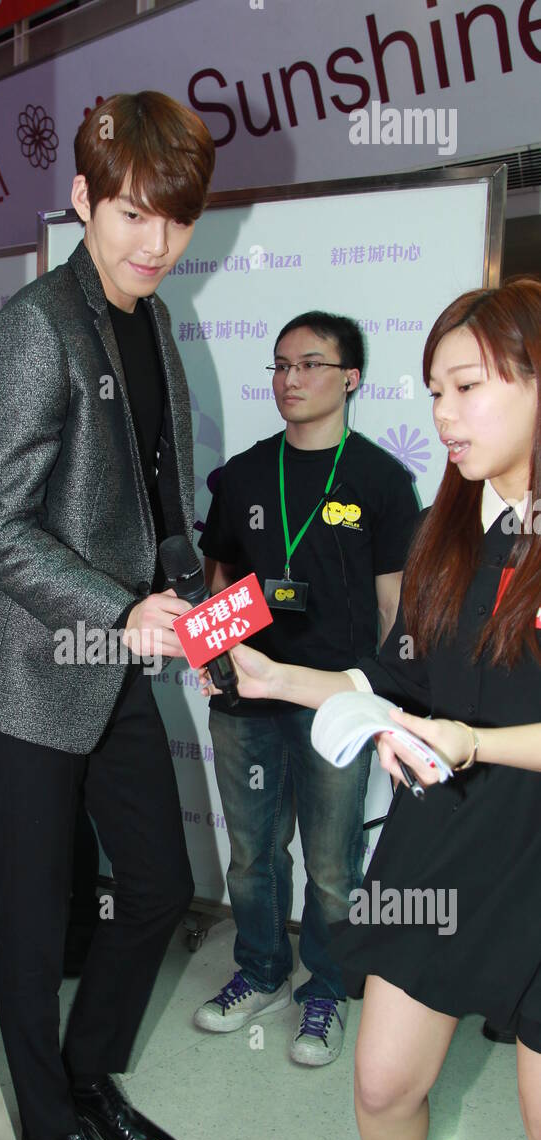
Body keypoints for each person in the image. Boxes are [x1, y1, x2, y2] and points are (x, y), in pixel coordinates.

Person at [205, 277, 541, 1140]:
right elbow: (385, 677)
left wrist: (474, 741)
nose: (442, 412)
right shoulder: (453, 525)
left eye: (467, 385)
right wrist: (280, 676)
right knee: (381, 1085)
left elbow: (466, 727)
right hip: (442, 841)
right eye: (433, 389)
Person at [0, 92, 215, 1140]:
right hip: (28, 678)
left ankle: (89, 1070)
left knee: (155, 884)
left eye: (170, 219)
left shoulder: (153, 322)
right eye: (126, 213)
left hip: (113, 665)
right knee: (36, 916)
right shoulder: (34, 326)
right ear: (81, 203)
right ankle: (48, 1127)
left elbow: (159, 504)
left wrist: (203, 615)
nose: (149, 241)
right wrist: (120, 615)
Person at [194, 312, 419, 1065]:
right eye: (281, 365)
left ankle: (325, 986)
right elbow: (220, 576)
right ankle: (259, 970)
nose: (291, 380)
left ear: (350, 378)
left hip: (335, 703)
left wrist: (388, 705)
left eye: (311, 365)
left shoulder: (383, 481)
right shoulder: (249, 471)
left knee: (330, 865)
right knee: (253, 854)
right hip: (245, 697)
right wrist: (207, 650)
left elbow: (395, 604)